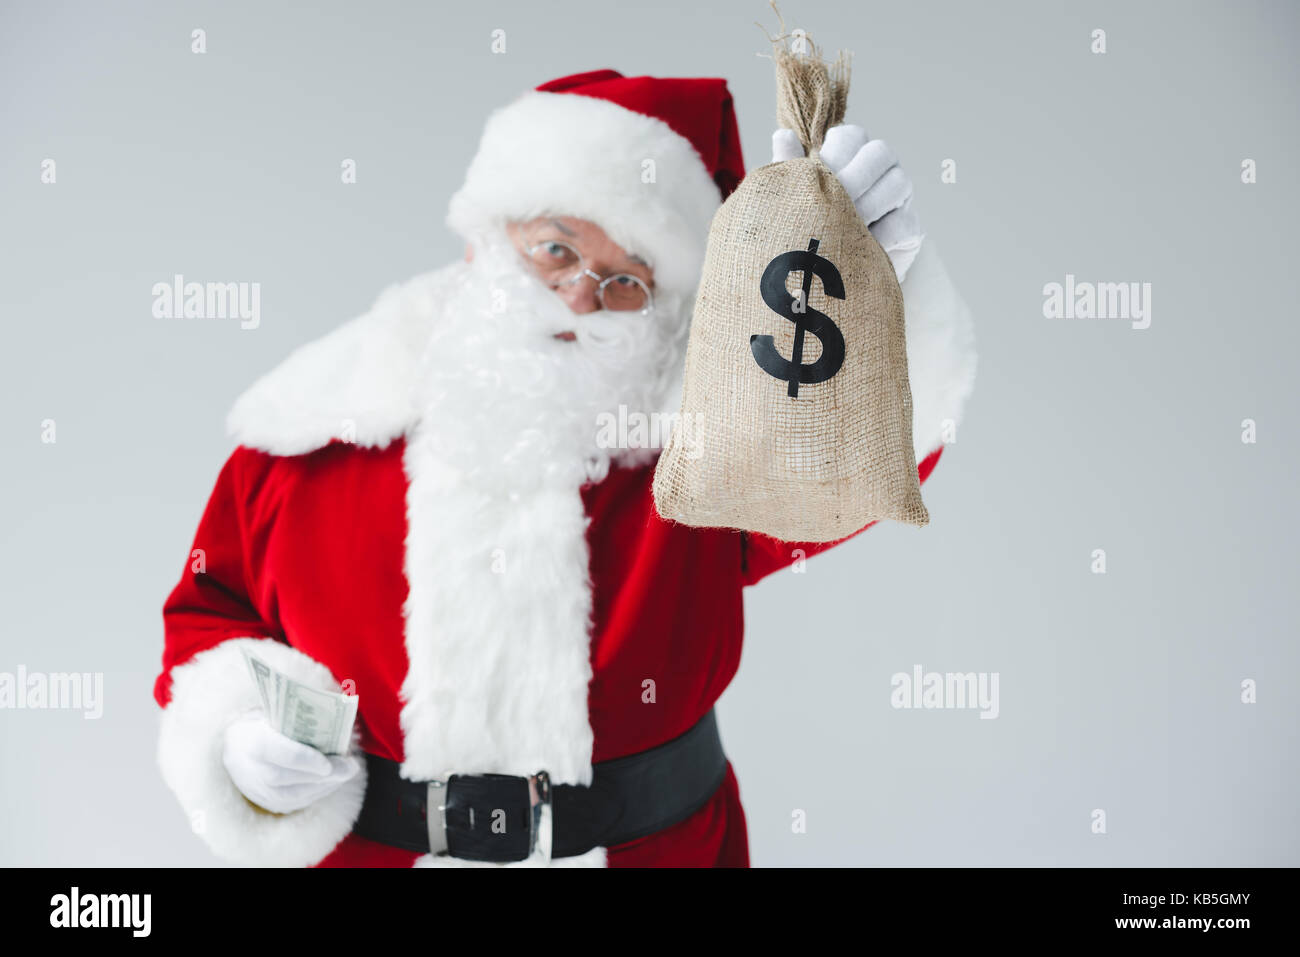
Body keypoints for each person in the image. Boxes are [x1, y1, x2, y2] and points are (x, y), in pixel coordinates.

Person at [154, 68, 977, 867]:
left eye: (626, 280)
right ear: (488, 240)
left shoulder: (698, 447)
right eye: (555, 249)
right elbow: (211, 606)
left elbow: (836, 475)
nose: (579, 297)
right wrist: (235, 737)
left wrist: (864, 305)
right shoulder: (319, 425)